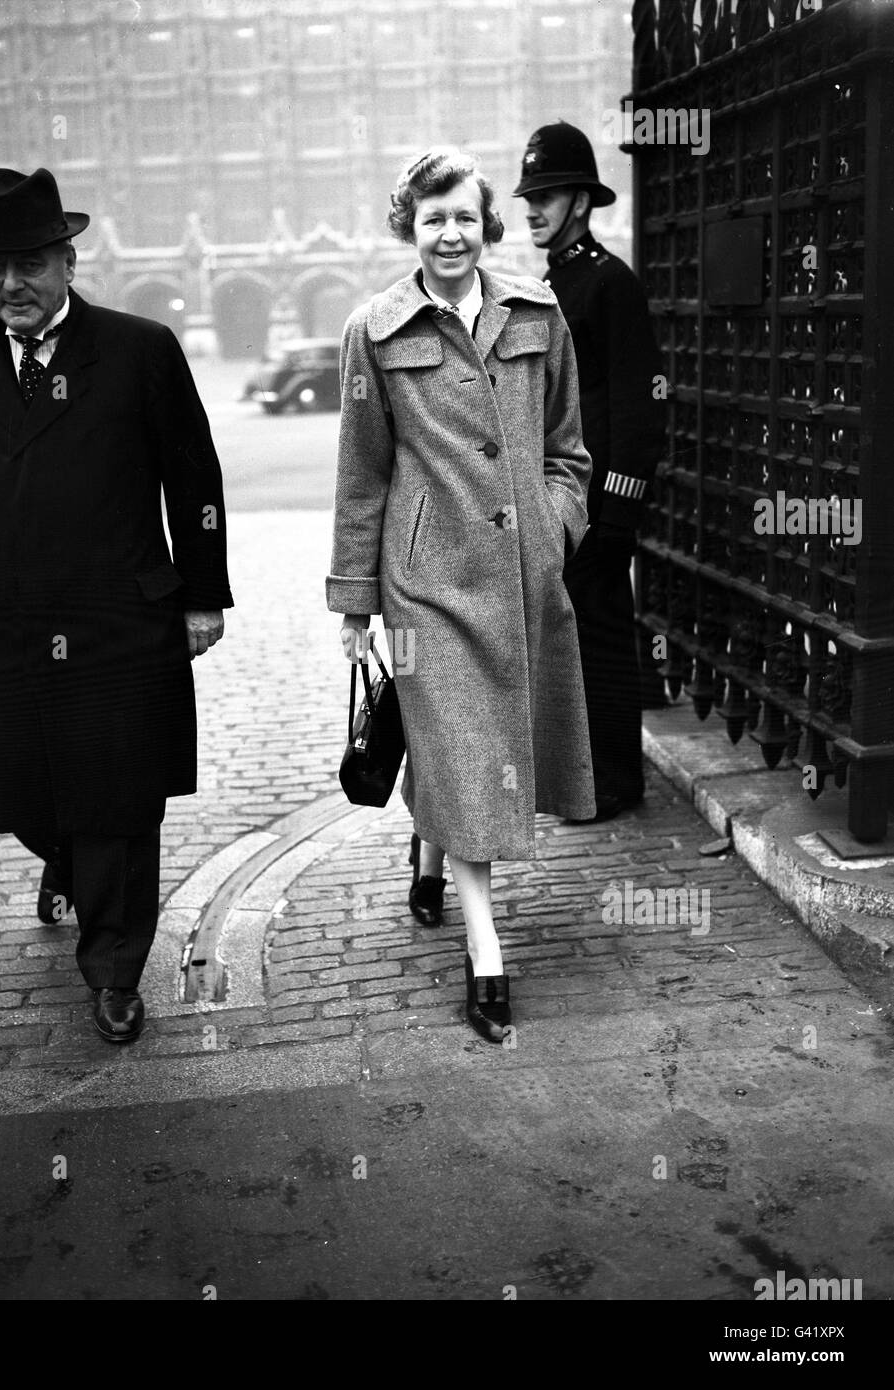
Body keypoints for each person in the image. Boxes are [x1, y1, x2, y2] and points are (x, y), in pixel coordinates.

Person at [0, 167, 232, 1044]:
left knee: (120, 797)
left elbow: (193, 481)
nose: (13, 283)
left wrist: (203, 596)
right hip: (3, 617)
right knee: (8, 789)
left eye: (32, 262)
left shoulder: (140, 348)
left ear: (69, 261)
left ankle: (114, 970)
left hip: (121, 616)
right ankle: (70, 862)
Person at [327, 148, 595, 1044]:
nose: (450, 234)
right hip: (425, 591)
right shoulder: (374, 328)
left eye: (465, 218)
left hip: (522, 583)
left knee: (469, 755)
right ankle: (487, 953)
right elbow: (362, 475)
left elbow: (568, 450)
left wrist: (557, 528)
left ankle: (431, 853)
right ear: (409, 226)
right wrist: (354, 604)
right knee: (464, 751)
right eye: (432, 217)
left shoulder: (537, 311)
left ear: (487, 228)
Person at [515, 121, 665, 823]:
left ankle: (615, 781)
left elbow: (635, 410)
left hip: (599, 504)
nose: (532, 208)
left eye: (546, 195)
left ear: (580, 201)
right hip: (563, 502)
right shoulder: (557, 284)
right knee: (572, 642)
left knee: (599, 640)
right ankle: (588, 777)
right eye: (529, 195)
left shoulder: (610, 284)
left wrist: (617, 512)